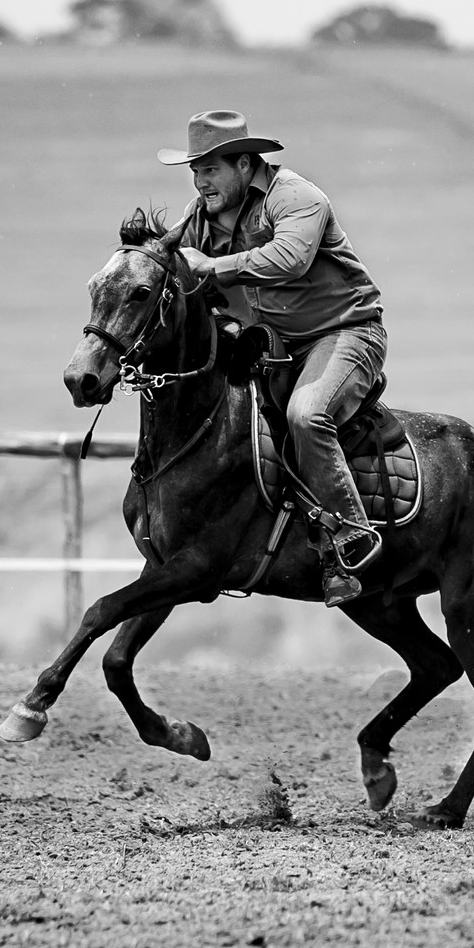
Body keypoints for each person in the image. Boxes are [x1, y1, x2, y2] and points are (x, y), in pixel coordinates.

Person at [160, 109, 387, 606]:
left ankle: (351, 533)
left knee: (307, 416)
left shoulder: (298, 197)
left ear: (244, 164)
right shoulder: (197, 217)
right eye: (195, 171)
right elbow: (176, 268)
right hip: (276, 345)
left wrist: (214, 265)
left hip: (345, 333)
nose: (200, 181)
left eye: (210, 169)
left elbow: (291, 259)